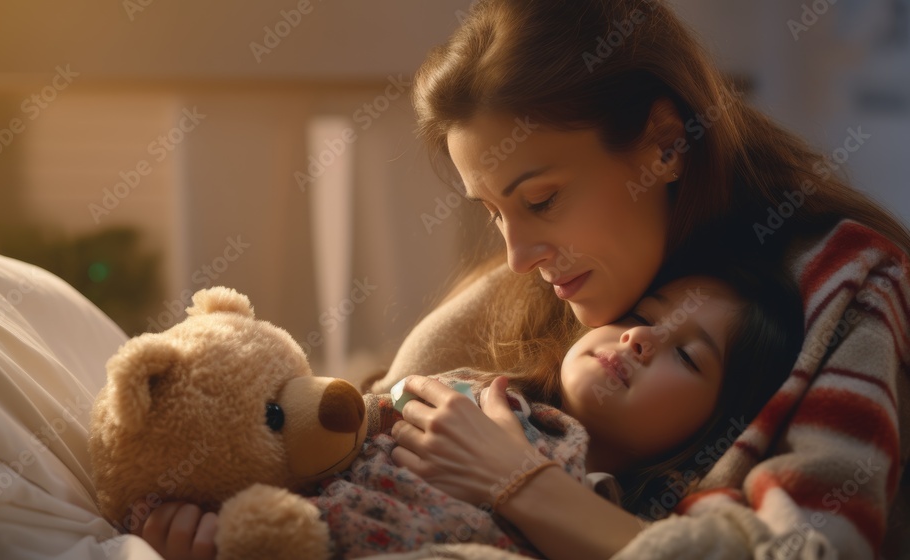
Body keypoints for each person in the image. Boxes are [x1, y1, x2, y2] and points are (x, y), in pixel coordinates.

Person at [133, 0, 910, 558]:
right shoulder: (529, 301)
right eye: (495, 213)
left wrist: (523, 484)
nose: (518, 256)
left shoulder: (846, 292)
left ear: (666, 145)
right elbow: (344, 453)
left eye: (541, 200)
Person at [308, 261, 804, 557]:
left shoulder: (646, 520)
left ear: (720, 428)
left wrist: (516, 479)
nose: (638, 337)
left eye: (687, 355)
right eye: (642, 313)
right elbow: (319, 430)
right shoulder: (473, 393)